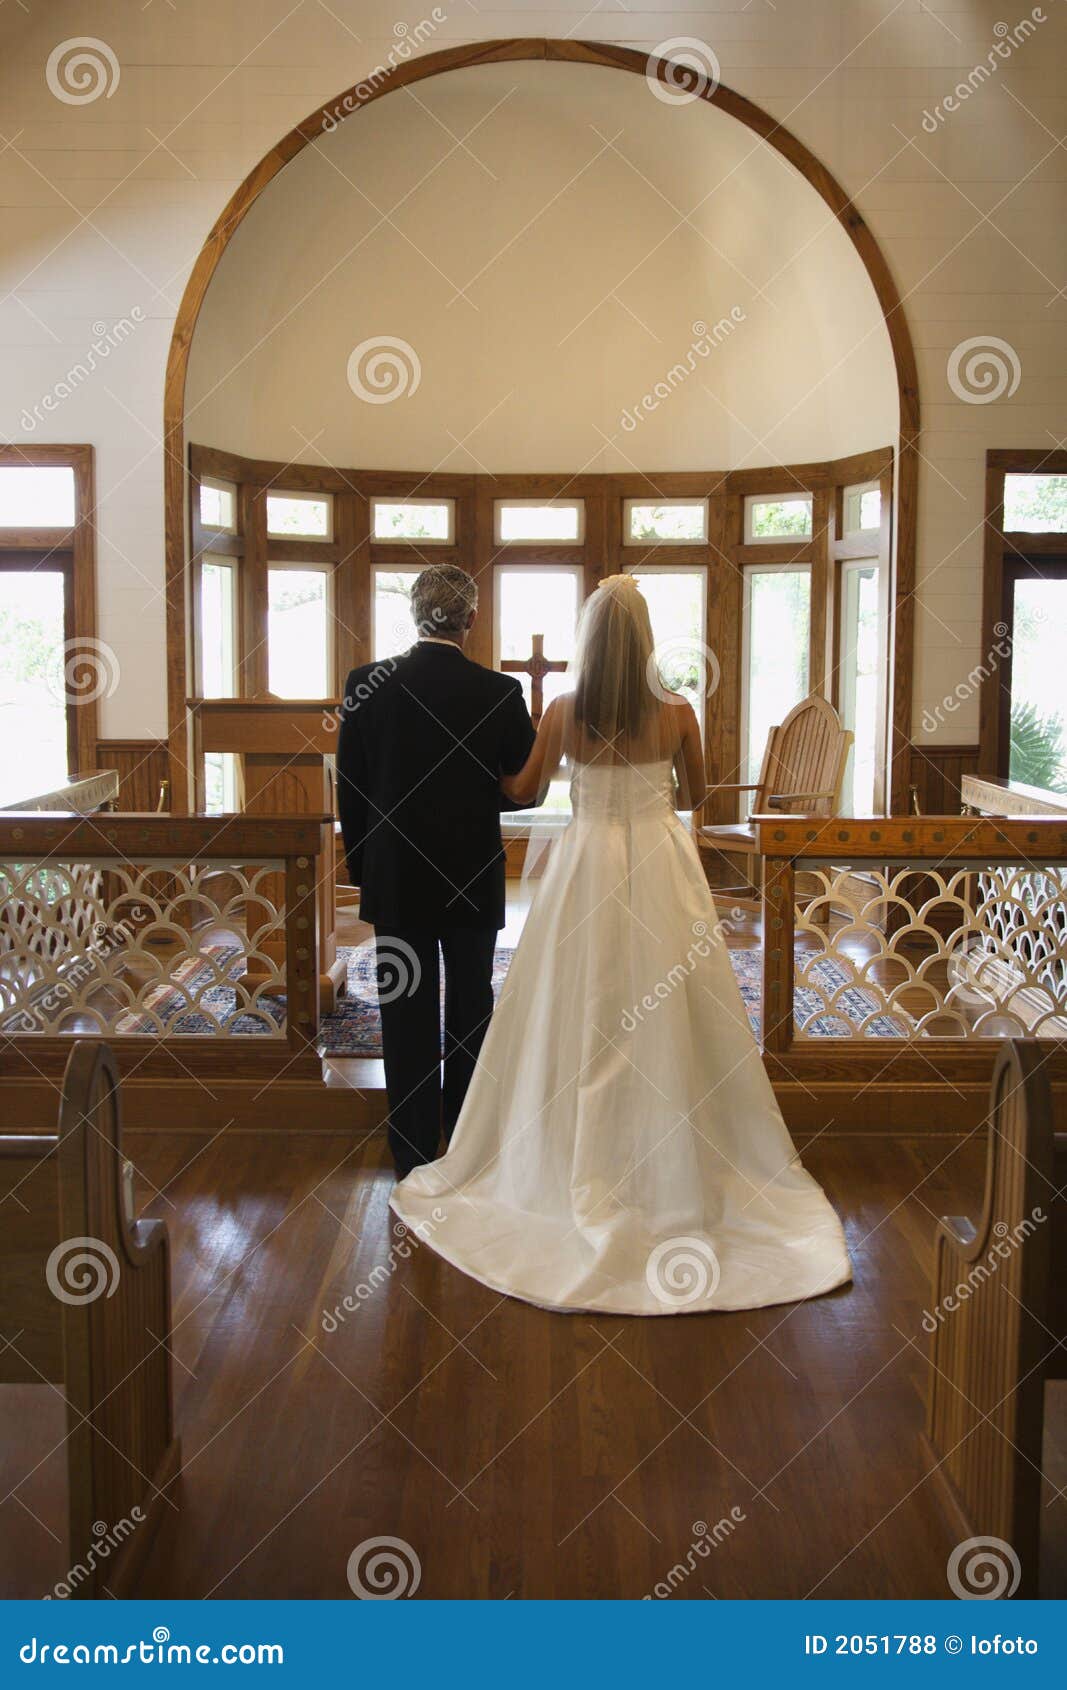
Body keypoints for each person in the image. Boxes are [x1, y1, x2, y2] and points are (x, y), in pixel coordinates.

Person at [391, 574, 851, 1315]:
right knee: (672, 1003)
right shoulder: (677, 713)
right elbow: (696, 798)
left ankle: (566, 1153)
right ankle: (672, 1159)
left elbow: (524, 794)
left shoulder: (565, 711)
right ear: (644, 643)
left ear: (589, 641)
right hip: (660, 863)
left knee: (576, 1000)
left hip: (586, 864)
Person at [336, 564, 536, 1177]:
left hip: (395, 877)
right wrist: (478, 796)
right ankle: (469, 1145)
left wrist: (366, 870)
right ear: (471, 619)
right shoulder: (500, 693)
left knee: (404, 1011)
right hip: (471, 874)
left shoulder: (366, 684)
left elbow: (351, 787)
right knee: (473, 1004)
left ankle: (414, 1151)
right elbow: (521, 789)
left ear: (415, 613)